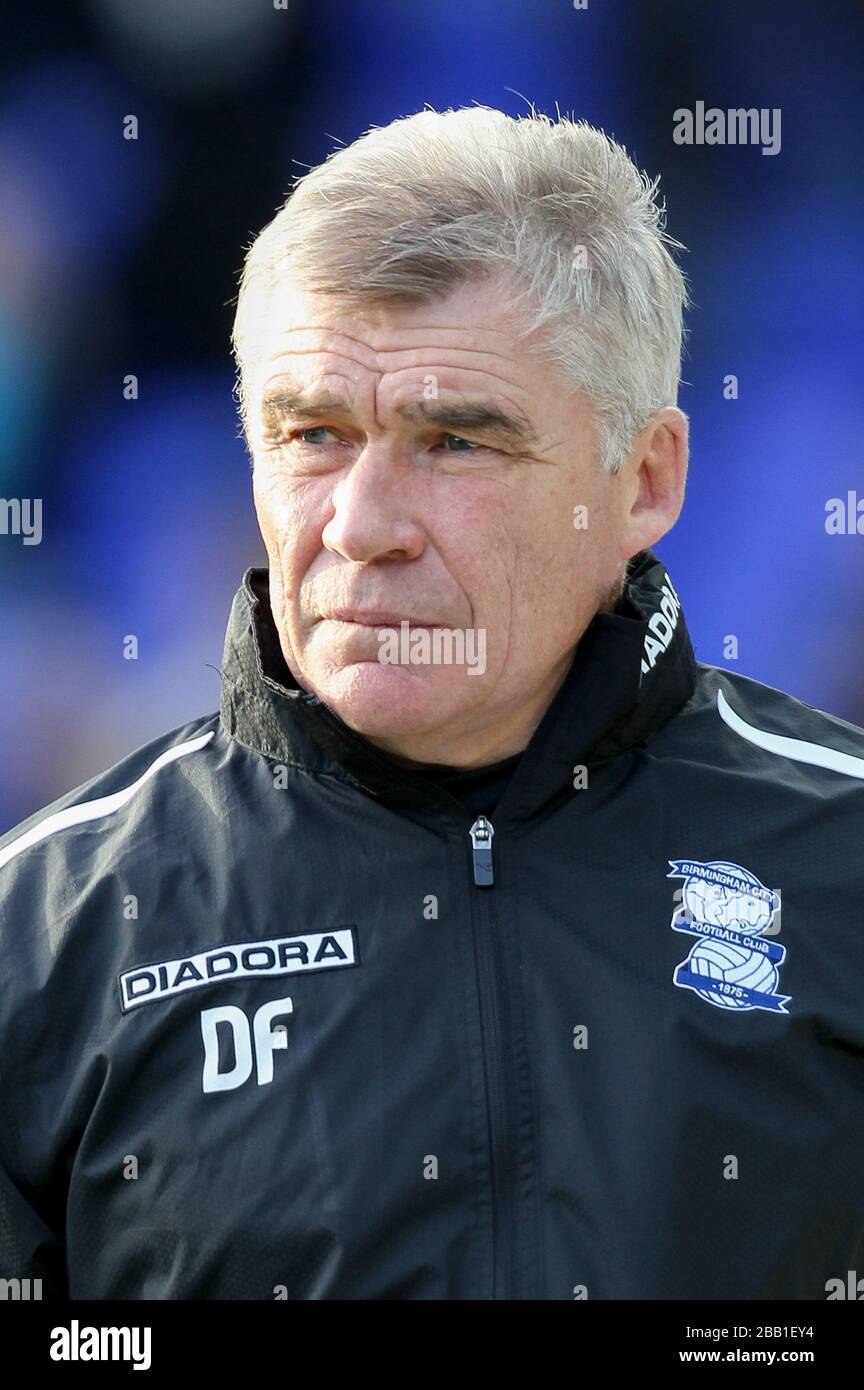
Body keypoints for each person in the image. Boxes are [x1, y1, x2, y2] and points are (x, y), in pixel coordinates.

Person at [1, 106, 862, 1301]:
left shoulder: (844, 863)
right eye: (311, 435)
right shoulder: (40, 935)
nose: (359, 524)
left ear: (645, 479)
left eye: (456, 440)